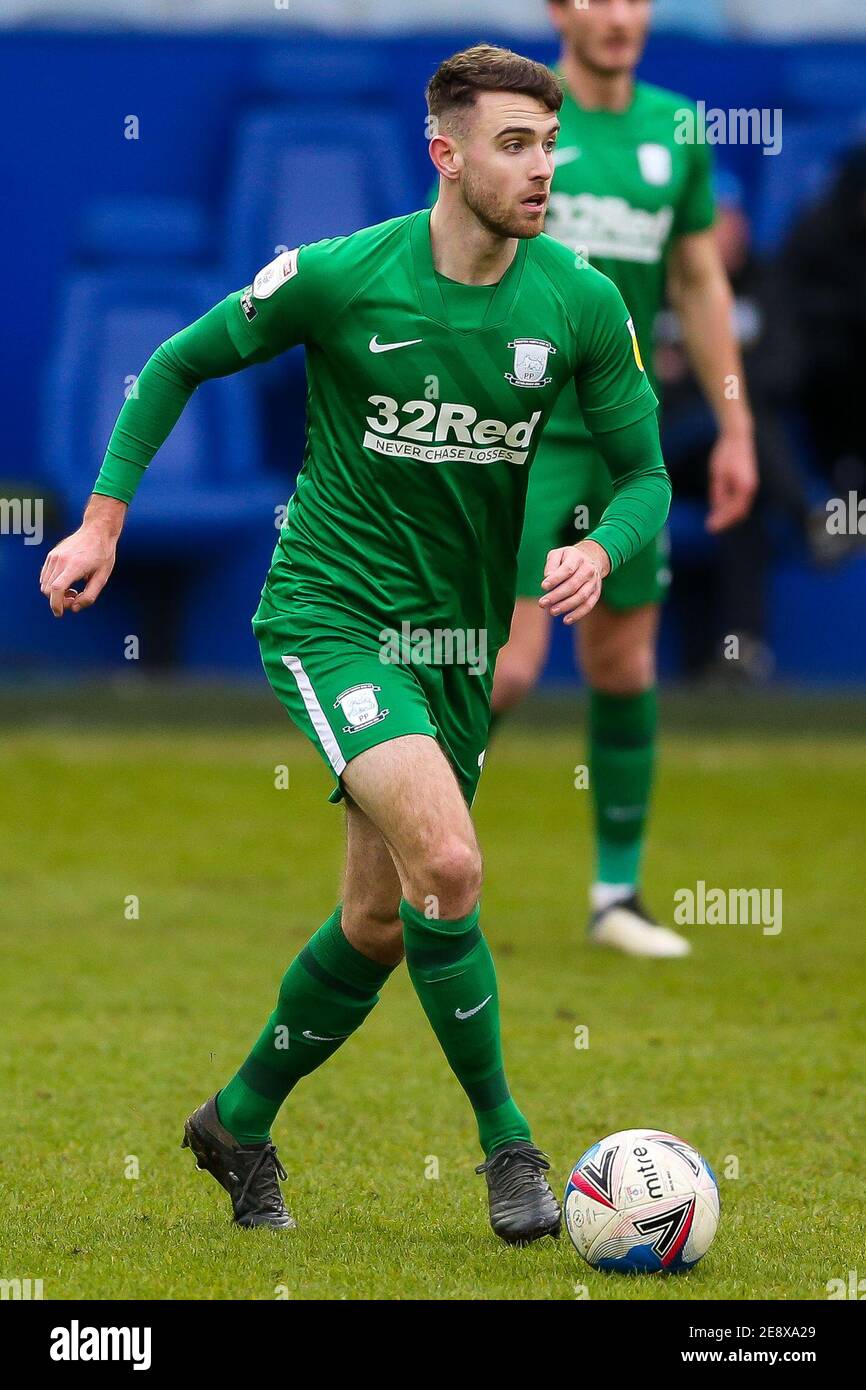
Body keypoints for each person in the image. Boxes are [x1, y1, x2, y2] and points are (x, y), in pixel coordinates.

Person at [39, 45, 670, 1244]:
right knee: (453, 866)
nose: (541, 168)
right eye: (514, 144)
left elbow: (643, 475)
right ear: (445, 152)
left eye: (549, 145)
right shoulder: (341, 277)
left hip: (456, 642)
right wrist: (103, 519)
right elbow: (178, 360)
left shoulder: (580, 301)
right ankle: (511, 1148)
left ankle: (235, 1120)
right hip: (333, 619)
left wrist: (598, 550)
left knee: (383, 922)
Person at [492, 0, 758, 957]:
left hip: (624, 439)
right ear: (559, 11)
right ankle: (413, 845)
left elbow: (698, 282)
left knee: (622, 662)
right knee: (508, 668)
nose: (618, 15)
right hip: (520, 433)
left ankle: (615, 897)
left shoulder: (677, 128)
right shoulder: (518, 119)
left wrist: (735, 424)